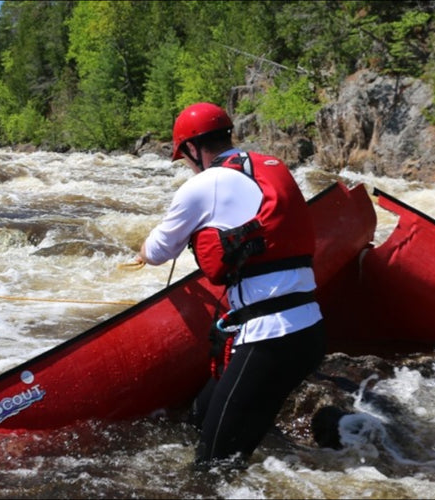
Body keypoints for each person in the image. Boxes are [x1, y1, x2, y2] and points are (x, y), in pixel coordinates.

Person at [137, 102, 327, 468]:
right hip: (307, 329)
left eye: (186, 158)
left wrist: (141, 252)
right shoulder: (268, 167)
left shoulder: (203, 184)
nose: (188, 166)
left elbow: (160, 250)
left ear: (193, 148)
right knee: (199, 418)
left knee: (211, 470)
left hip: (272, 338)